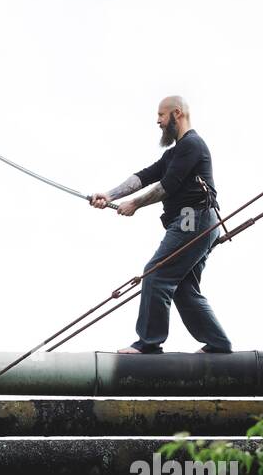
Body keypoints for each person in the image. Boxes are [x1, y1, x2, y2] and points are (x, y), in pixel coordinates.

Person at [88, 95, 233, 354]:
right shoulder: (174, 153)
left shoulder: (192, 145)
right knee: (183, 287)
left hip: (194, 216)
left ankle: (149, 342)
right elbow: (144, 176)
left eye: (161, 115)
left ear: (176, 114)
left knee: (156, 272)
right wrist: (109, 195)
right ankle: (218, 344)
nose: (157, 121)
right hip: (199, 220)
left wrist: (134, 205)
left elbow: (167, 186)